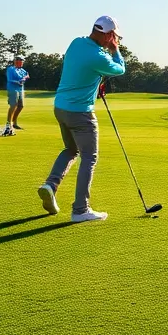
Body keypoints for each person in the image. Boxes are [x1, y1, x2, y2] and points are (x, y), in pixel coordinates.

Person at [37, 16, 126, 223]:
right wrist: (116, 50)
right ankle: (80, 209)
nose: (114, 39)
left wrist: (97, 79)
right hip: (81, 113)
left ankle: (51, 185)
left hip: (60, 107)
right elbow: (120, 69)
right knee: (89, 157)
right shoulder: (100, 57)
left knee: (71, 150)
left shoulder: (76, 42)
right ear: (107, 34)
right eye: (113, 36)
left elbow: (87, 68)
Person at [4, 55, 28, 133]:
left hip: (21, 89)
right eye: (20, 61)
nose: (22, 63)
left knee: (21, 106)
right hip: (12, 89)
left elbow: (27, 75)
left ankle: (14, 123)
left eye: (22, 62)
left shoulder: (22, 70)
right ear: (16, 62)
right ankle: (8, 124)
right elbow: (9, 79)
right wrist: (17, 82)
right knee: (13, 105)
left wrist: (25, 78)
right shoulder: (11, 69)